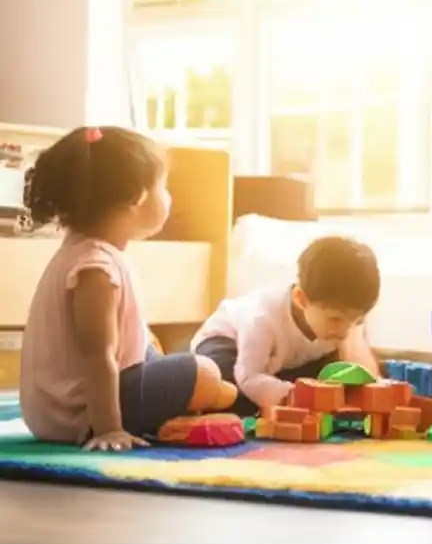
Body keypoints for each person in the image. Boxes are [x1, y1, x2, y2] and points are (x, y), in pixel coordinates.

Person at [19, 126, 237, 450]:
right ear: (137, 197)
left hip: (73, 405)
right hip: (80, 414)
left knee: (181, 363)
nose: (169, 196)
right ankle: (215, 400)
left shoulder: (87, 251)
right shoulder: (96, 268)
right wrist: (109, 429)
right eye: (163, 186)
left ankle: (207, 401)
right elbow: (98, 356)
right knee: (206, 373)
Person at [191, 235, 382, 416]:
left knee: (333, 382)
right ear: (301, 299)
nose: (344, 332)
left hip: (283, 363)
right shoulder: (263, 319)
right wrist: (298, 397)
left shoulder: (340, 324)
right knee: (223, 386)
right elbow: (248, 376)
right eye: (336, 320)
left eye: (357, 320)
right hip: (230, 346)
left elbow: (362, 370)